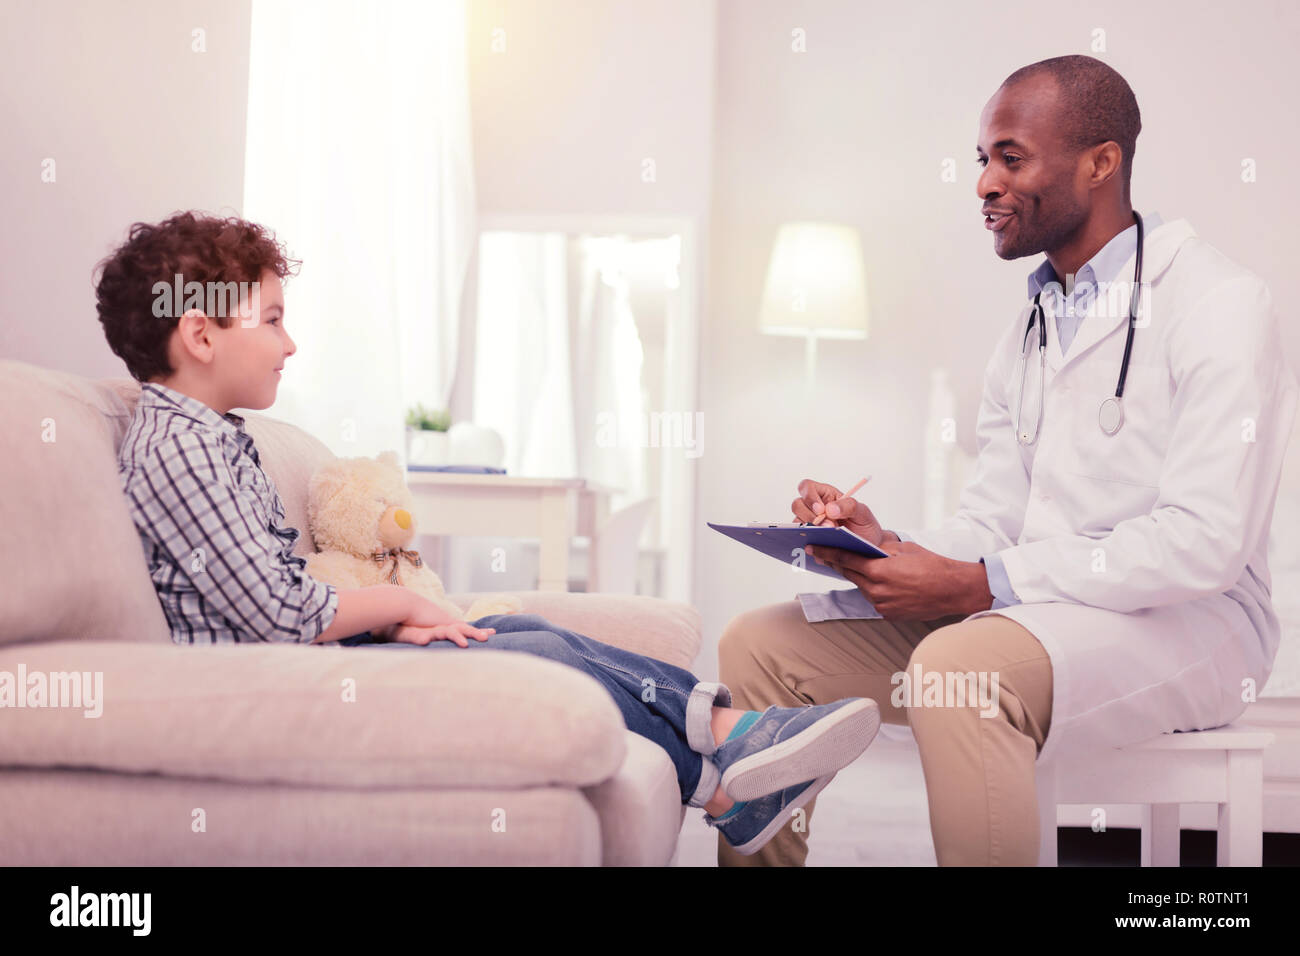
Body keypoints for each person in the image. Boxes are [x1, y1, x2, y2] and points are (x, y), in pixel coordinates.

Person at [100, 211, 883, 858]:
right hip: (277, 687)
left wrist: (396, 611)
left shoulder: (214, 436)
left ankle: (733, 743)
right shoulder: (180, 450)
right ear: (201, 337)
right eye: (272, 320)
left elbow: (282, 594)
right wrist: (394, 609)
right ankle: (729, 763)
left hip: (309, 659)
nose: (290, 342)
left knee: (522, 629)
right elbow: (279, 612)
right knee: (531, 656)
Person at [718, 54, 1299, 866]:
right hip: (1040, 612)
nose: (985, 182)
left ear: (1102, 163)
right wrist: (884, 547)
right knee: (760, 645)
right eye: (982, 160)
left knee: (963, 667)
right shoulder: (1026, 332)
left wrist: (983, 584)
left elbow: (1203, 542)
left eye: (1010, 158)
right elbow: (993, 523)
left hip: (1192, 624)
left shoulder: (1218, 304)